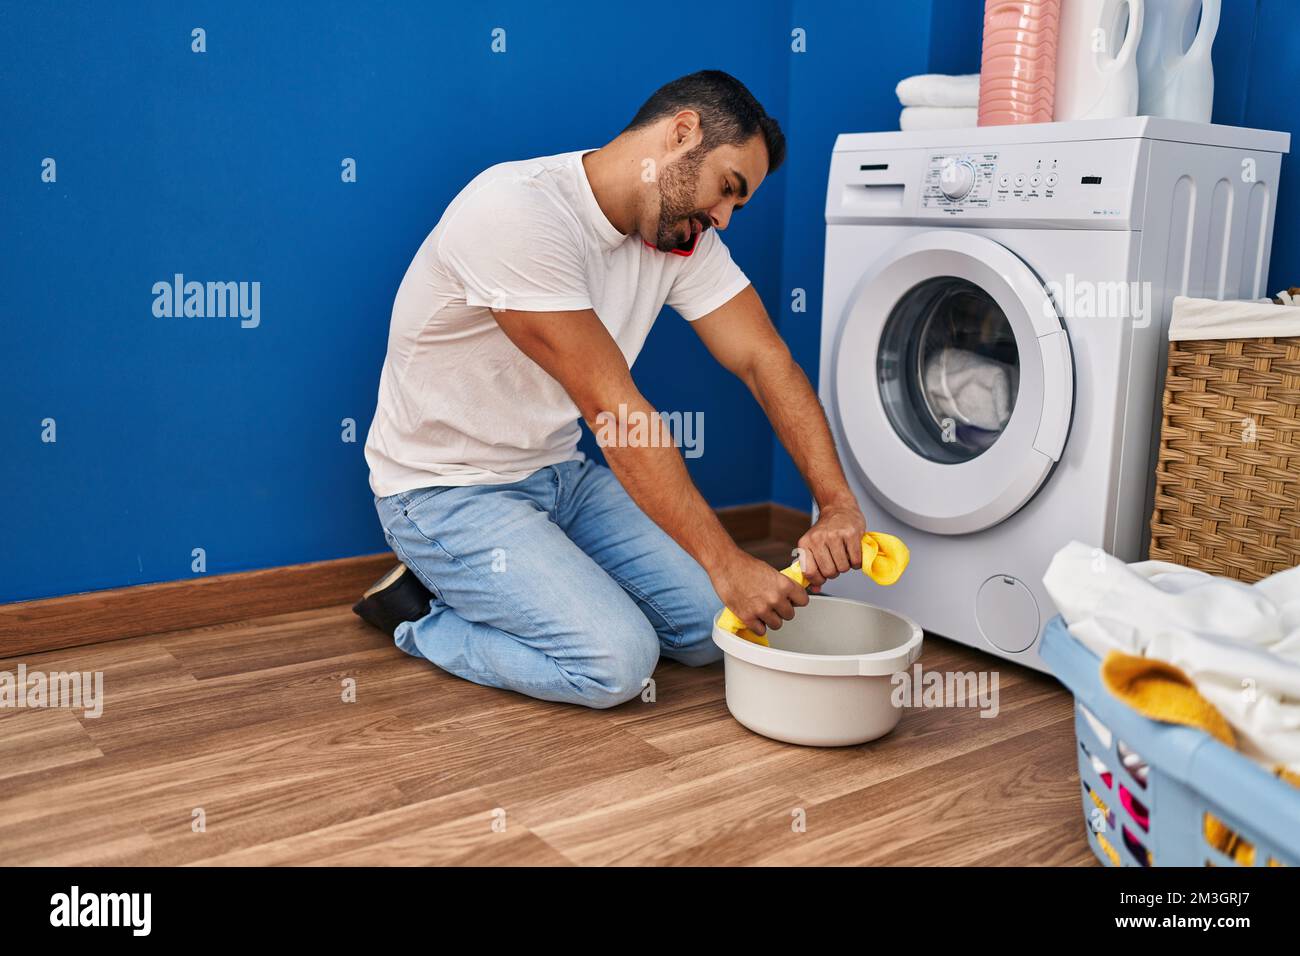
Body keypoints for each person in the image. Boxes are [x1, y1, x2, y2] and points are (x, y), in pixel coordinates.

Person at [355, 70, 867, 708]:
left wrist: (836, 503)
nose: (724, 219)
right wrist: (728, 563)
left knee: (716, 632)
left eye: (737, 205)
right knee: (616, 664)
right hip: (445, 492)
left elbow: (765, 360)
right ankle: (420, 615)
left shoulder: (682, 237)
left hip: (558, 476)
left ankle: (553, 580)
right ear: (683, 133)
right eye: (727, 189)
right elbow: (615, 411)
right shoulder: (516, 212)